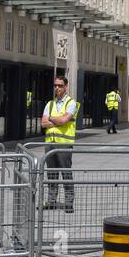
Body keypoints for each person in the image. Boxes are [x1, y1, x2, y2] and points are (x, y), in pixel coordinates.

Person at [42, 75, 79, 213]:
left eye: (60, 85)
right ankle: (51, 201)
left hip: (64, 144)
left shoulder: (71, 103)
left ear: (66, 86)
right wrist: (57, 119)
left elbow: (64, 121)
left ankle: (69, 203)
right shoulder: (49, 104)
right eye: (55, 85)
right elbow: (43, 123)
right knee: (51, 174)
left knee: (66, 173)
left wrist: (51, 118)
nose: (57, 88)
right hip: (50, 144)